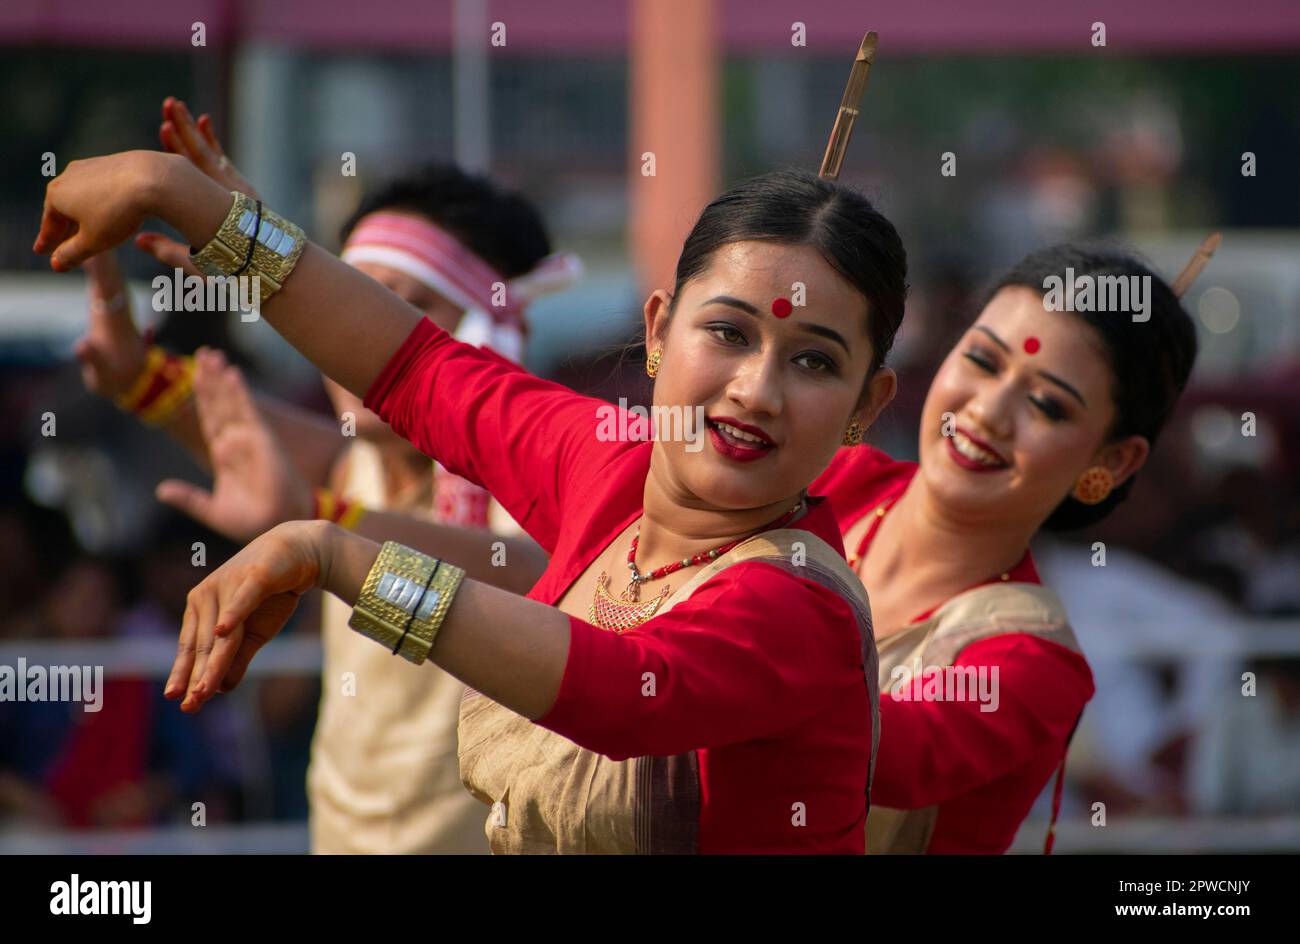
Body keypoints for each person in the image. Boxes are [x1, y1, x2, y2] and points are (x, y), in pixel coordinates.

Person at [37, 151, 909, 853]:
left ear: (867, 410)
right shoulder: (606, 467)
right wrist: (188, 202)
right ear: (656, 332)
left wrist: (338, 553)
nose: (757, 390)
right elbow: (411, 364)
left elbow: (627, 691)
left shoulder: (797, 601)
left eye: (815, 362)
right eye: (727, 333)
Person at [72, 98, 571, 853]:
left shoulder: (536, 476)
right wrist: (137, 377)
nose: (350, 346)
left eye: (394, 316)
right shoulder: (358, 463)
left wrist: (327, 525)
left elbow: (528, 572)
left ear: (486, 327)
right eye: (342, 311)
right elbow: (246, 436)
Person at [810, 243, 1200, 853]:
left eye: (1046, 404)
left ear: (1111, 460)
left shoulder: (1029, 663)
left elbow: (877, 755)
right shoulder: (824, 482)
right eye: (983, 360)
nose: (988, 413)